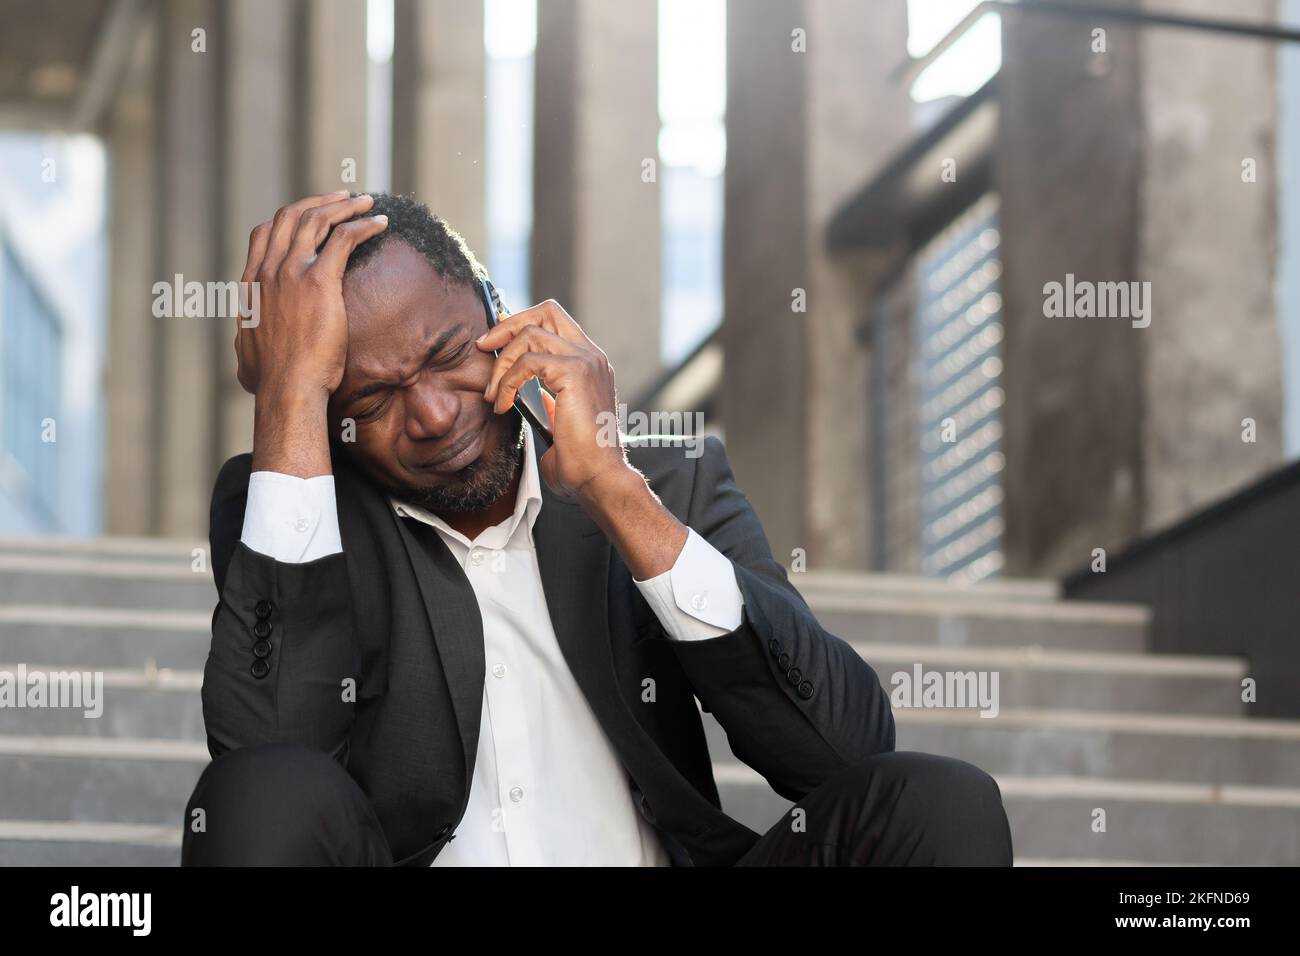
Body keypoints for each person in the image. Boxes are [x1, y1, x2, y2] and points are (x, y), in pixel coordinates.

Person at [182, 191, 1013, 867]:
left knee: (939, 805)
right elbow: (267, 766)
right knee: (258, 799)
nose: (433, 415)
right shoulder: (298, 508)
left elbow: (843, 753)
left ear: (502, 315)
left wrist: (615, 491)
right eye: (370, 399)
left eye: (447, 356)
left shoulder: (670, 478)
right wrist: (289, 393)